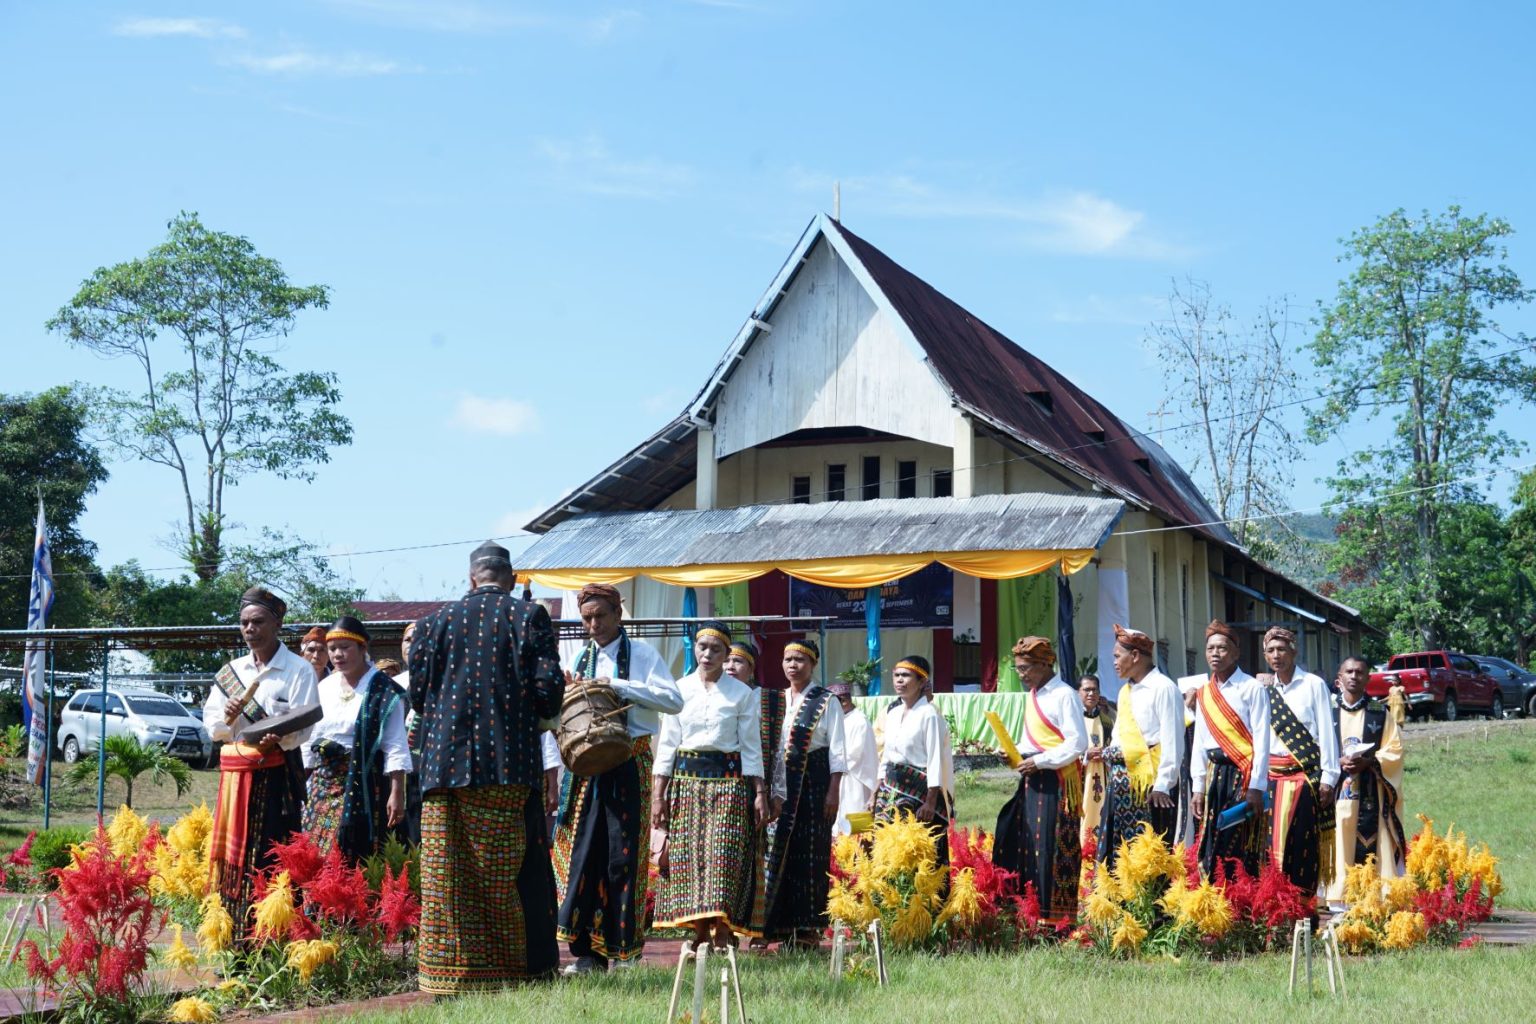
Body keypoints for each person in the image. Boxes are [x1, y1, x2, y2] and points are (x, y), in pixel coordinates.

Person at [407, 542, 565, 993]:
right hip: (507, 767)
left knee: (447, 876)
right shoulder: (528, 617)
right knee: (505, 871)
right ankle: (510, 971)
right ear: (511, 579)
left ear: (472, 577)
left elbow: (418, 697)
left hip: (441, 769)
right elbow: (549, 692)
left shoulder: (433, 623)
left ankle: (447, 977)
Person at [553, 583, 683, 975]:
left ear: (618, 615)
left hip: (631, 761)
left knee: (622, 857)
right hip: (588, 771)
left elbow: (674, 700)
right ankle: (588, 954)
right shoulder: (580, 658)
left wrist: (617, 686)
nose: (593, 625)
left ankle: (623, 952)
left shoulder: (642, 655)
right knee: (585, 855)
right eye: (587, 618)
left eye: (600, 616)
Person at [205, 587, 319, 934]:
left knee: (276, 855)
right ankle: (235, 937)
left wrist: (279, 739)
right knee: (236, 860)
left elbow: (306, 724)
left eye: (257, 621)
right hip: (236, 782)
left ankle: (278, 933)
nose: (249, 629)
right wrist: (226, 717)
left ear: (277, 623)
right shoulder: (231, 672)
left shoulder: (298, 670)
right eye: (243, 623)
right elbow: (213, 728)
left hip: (277, 780)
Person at [652, 621, 767, 949]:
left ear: (727, 654)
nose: (708, 654)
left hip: (729, 786)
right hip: (686, 785)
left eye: (716, 649)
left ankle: (723, 926)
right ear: (695, 648)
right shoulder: (680, 689)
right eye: (702, 647)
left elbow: (750, 747)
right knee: (689, 859)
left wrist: (759, 793)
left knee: (724, 857)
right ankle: (700, 930)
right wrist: (658, 795)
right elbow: (667, 745)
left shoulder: (741, 694)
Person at [993, 636, 1088, 924]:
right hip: (1033, 779)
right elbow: (1030, 742)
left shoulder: (1064, 694)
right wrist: (1012, 754)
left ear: (1046, 664)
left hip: (1057, 781)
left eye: (1026, 669)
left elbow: (1077, 743)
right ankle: (1029, 911)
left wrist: (1039, 761)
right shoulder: (1033, 695)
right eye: (1019, 669)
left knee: (1051, 846)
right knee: (1024, 842)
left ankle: (1056, 918)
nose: (1022, 675)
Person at [303, 616, 411, 861]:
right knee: (317, 846)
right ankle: (317, 899)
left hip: (364, 782)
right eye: (332, 649)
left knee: (352, 850)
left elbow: (395, 744)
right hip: (323, 781)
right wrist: (304, 783)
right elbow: (309, 739)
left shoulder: (384, 691)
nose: (337, 654)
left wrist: (397, 792)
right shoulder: (324, 687)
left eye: (345, 647)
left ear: (363, 648)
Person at [762, 638, 846, 948]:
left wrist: (833, 792)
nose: (793, 665)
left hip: (814, 781)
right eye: (788, 660)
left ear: (812, 664)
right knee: (777, 850)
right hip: (781, 784)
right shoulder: (776, 699)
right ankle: (779, 927)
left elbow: (838, 751)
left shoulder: (826, 701)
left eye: (800, 660)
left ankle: (808, 928)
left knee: (810, 852)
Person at [1093, 625, 1184, 871]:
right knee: (1118, 845)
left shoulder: (1164, 689)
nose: (1114, 662)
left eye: (1116, 656)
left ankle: (1148, 907)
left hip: (1150, 785)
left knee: (1148, 851)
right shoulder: (1125, 691)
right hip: (1121, 781)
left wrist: (1163, 785)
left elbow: (1173, 741)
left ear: (1134, 656)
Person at [1259, 626, 1340, 895]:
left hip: (1304, 778)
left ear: (1294, 651)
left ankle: (1303, 905)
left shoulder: (1313, 685)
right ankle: (1275, 902)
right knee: (1269, 844)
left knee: (1301, 842)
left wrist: (1329, 778)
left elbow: (1327, 732)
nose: (1276, 655)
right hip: (1271, 778)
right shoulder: (1262, 688)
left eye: (1282, 649)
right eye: (1270, 650)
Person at [1191, 620, 1272, 878]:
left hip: (1242, 775)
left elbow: (1262, 739)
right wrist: (1198, 787)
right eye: (1210, 648)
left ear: (1235, 653)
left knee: (1237, 840)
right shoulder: (1204, 693)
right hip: (1215, 774)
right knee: (1211, 838)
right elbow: (1199, 742)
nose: (1215, 653)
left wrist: (1256, 787)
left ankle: (1240, 900)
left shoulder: (1252, 688)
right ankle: (1212, 900)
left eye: (1222, 648)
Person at [1326, 655, 1407, 910]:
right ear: (1338, 678)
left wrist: (1370, 760)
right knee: (1337, 836)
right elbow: (1315, 746)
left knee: (1370, 836)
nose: (1353, 676)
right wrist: (1334, 762)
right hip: (1336, 792)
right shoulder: (1327, 713)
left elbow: (1395, 750)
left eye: (1359, 672)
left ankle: (1376, 893)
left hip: (1371, 791)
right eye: (1348, 672)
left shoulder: (1379, 715)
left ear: (1368, 679)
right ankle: (1337, 895)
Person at [872, 655, 954, 866]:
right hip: (890, 789)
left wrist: (930, 801)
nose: (899, 680)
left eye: (906, 675)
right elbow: (887, 756)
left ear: (921, 682)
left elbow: (935, 758)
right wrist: (875, 792)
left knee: (917, 852)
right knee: (886, 846)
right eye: (896, 675)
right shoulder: (893, 713)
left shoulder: (929, 714)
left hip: (919, 793)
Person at [833, 682, 878, 836]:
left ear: (846, 700)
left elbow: (853, 754)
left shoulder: (859, 721)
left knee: (854, 824)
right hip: (841, 776)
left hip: (855, 778)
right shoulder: (843, 718)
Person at [1078, 674, 1112, 861]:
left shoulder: (1107, 722)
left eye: (1095, 690)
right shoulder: (1072, 719)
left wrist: (1105, 753)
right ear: (1078, 692)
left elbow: (1115, 747)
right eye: (1086, 689)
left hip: (1103, 777)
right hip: (1080, 779)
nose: (1091, 693)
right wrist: (1085, 755)